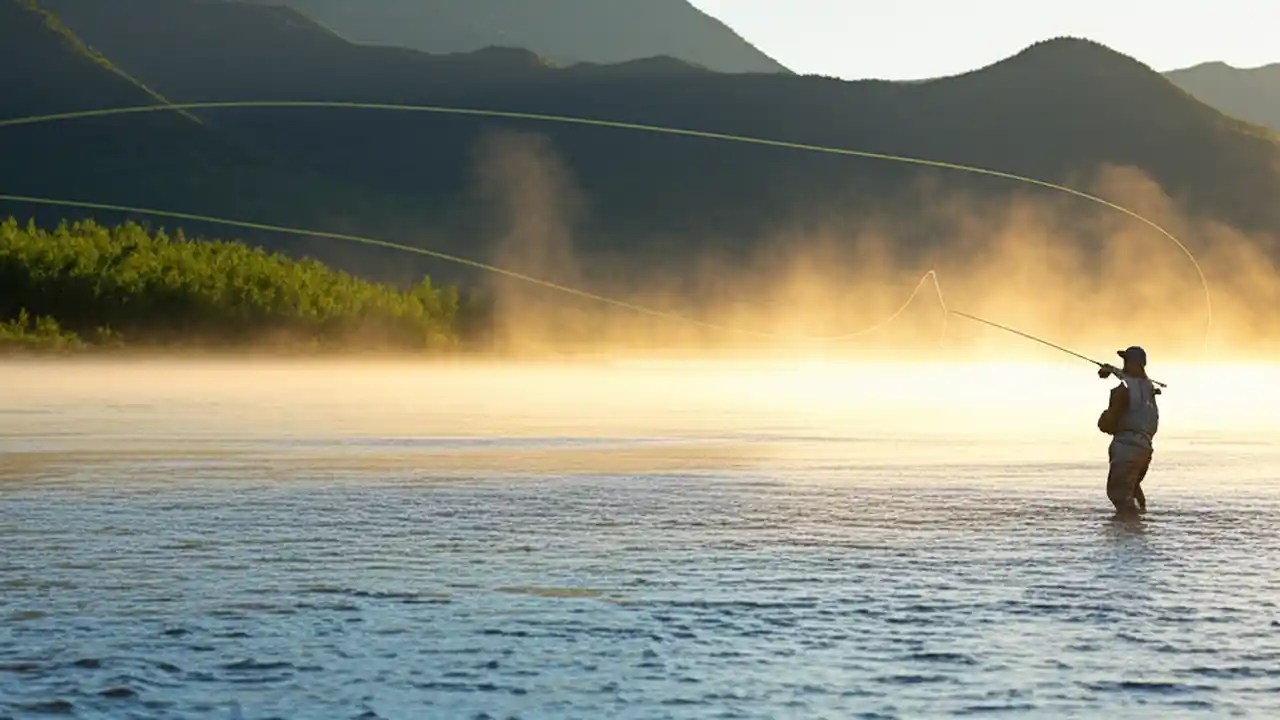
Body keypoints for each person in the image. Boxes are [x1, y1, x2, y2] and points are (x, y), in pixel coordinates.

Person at [1095, 346, 1160, 517]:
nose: (1123, 365)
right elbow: (1131, 378)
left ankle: (1128, 537)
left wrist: (1103, 418)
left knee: (1119, 496)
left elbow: (1107, 424)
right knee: (1132, 492)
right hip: (1144, 450)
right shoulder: (1149, 387)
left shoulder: (1123, 390)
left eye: (1125, 361)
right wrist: (1111, 370)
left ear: (1131, 363)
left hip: (1126, 450)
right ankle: (1141, 527)